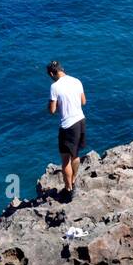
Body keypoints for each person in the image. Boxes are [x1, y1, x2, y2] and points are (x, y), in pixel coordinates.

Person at [47, 60, 86, 201]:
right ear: (61, 69)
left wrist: (51, 104)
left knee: (65, 160)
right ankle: (74, 179)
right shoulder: (77, 81)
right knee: (75, 155)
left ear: (52, 73)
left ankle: (68, 189)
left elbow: (52, 110)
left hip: (68, 126)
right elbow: (83, 101)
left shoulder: (54, 87)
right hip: (81, 121)